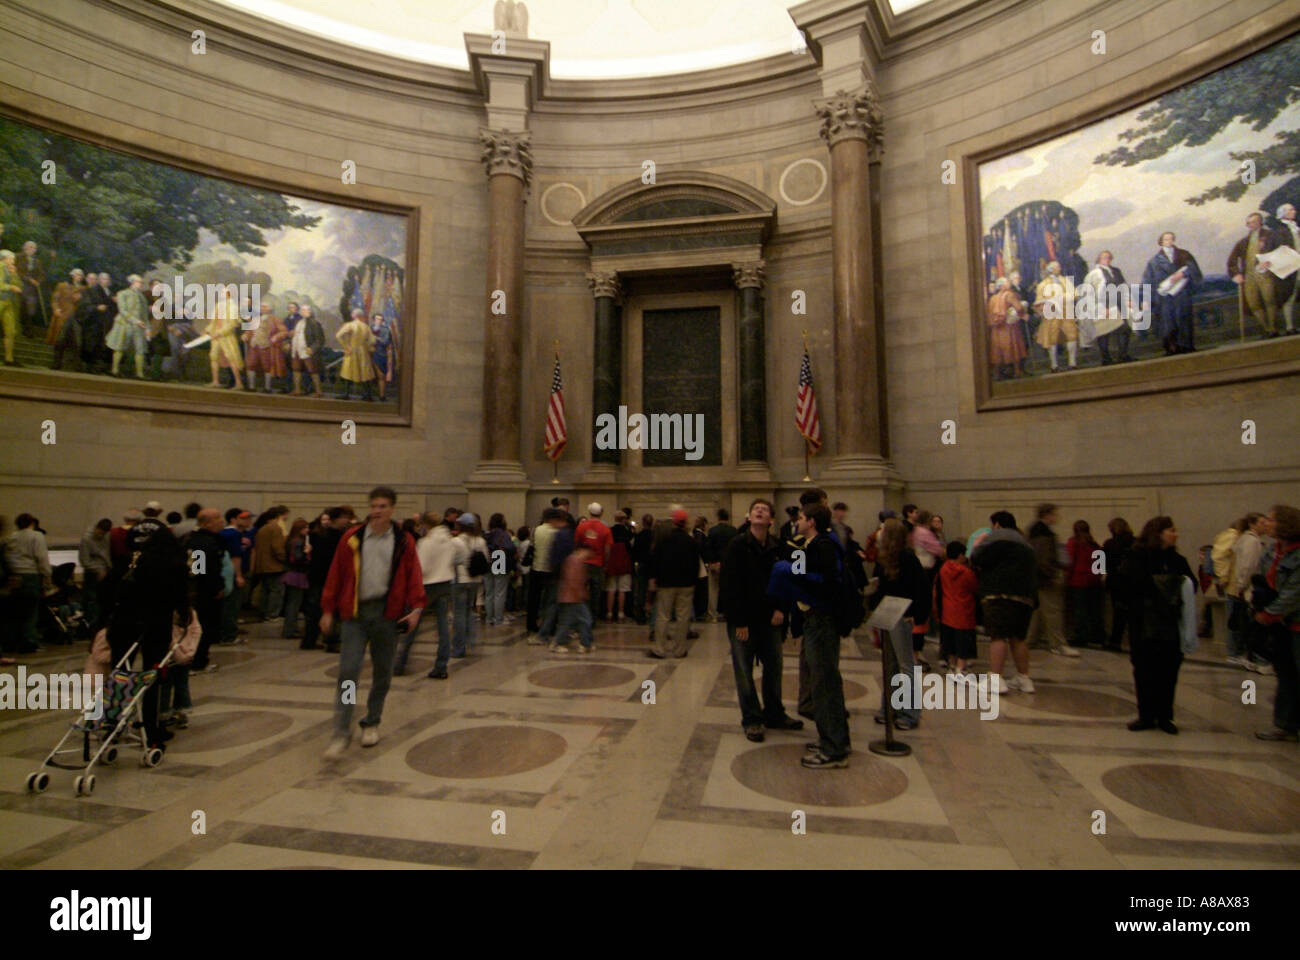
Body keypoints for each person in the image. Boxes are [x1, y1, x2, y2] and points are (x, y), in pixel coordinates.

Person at [320, 487, 424, 758]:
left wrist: (416, 608)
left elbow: (413, 575)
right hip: (355, 614)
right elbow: (336, 574)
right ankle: (341, 730)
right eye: (374, 506)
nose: (377, 511)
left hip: (387, 614)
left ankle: (372, 720)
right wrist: (328, 609)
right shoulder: (352, 538)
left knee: (383, 672)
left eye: (382, 506)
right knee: (348, 672)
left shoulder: (403, 541)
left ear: (392, 509)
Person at [106, 515, 189, 751]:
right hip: (155, 624)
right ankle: (152, 729)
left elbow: (108, 591)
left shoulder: (125, 560)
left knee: (120, 674)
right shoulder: (172, 562)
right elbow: (181, 593)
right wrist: (184, 614)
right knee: (153, 675)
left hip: (122, 623)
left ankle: (112, 724)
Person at [722, 498, 800, 742]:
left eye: (764, 510)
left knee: (774, 667)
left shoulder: (779, 547)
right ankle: (752, 719)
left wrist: (781, 609)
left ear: (771, 520)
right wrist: (740, 621)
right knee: (744, 671)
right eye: (755, 509)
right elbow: (730, 585)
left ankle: (774, 712)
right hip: (744, 619)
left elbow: (787, 581)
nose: (759, 511)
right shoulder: (737, 545)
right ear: (749, 517)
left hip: (770, 618)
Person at [785, 503, 850, 768]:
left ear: (811, 522)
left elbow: (824, 584)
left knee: (823, 684)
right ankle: (835, 739)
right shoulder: (814, 544)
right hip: (817, 619)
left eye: (801, 518)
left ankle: (833, 749)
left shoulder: (822, 546)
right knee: (825, 681)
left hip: (821, 620)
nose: (797, 522)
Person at [1121, 516, 1195, 734]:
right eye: (1171, 530)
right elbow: (1127, 586)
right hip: (1143, 622)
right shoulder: (1137, 557)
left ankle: (1165, 716)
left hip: (1170, 624)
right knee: (1144, 670)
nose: (1176, 534)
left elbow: (1191, 585)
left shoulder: (1178, 560)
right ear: (1158, 533)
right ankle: (1146, 715)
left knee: (1168, 671)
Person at [866, 518, 928, 728]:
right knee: (890, 664)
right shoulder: (883, 557)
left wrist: (916, 614)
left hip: (901, 614)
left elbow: (920, 589)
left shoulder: (908, 558)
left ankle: (910, 713)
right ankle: (889, 707)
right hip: (887, 613)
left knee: (905, 664)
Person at [970, 511, 1038, 695]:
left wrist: (977, 545)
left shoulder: (996, 539)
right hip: (1025, 597)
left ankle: (995, 680)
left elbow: (977, 560)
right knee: (1018, 638)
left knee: (998, 636)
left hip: (999, 594)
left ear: (997, 524)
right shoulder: (1026, 544)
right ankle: (1024, 679)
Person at [1254, 505, 1300, 742]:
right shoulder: (1273, 550)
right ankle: (1285, 724)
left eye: (1271, 519)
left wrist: (1269, 613)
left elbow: (1295, 592)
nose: (1266, 523)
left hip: (1294, 621)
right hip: (1281, 624)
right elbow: (1263, 579)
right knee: (1285, 673)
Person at [1025, 503, 1080, 657]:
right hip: (1047, 579)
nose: (1056, 517)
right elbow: (1044, 558)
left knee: (1038, 612)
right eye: (1054, 514)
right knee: (1053, 612)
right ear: (1047, 515)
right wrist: (1053, 575)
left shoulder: (1034, 531)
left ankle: (1029, 640)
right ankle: (1058, 644)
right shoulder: (1044, 534)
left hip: (1037, 578)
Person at [648, 509, 699, 659]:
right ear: (685, 523)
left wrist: (654, 579)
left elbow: (655, 561)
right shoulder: (691, 541)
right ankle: (679, 650)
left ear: (673, 522)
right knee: (683, 617)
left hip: (666, 583)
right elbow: (695, 564)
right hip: (686, 584)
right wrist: (693, 582)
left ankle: (659, 649)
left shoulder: (664, 540)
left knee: (663, 616)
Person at [1141, 231, 1202, 354]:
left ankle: (1186, 346)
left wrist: (1183, 273)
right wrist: (1146, 299)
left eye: (1171, 239)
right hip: (1165, 298)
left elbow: (1194, 269)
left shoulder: (1184, 255)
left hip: (1182, 294)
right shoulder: (1154, 261)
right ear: (1161, 242)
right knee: (1168, 323)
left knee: (1184, 320)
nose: (1169, 241)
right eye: (1166, 239)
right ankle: (1171, 348)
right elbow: (1147, 280)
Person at [1227, 212, 1285, 339]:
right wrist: (1236, 274)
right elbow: (1232, 261)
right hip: (1249, 276)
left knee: (1270, 301)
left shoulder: (1271, 236)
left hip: (1266, 274)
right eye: (1248, 223)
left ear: (1260, 222)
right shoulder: (1243, 242)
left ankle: (1273, 329)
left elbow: (1282, 252)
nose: (1250, 225)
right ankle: (1267, 329)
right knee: (1253, 304)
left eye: (1253, 222)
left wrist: (1270, 262)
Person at [186, 508, 229, 682]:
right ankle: (197, 661)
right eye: (217, 518)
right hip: (203, 593)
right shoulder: (200, 542)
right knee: (204, 626)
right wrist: (214, 588)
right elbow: (199, 570)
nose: (221, 521)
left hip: (203, 590)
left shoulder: (207, 540)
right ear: (207, 523)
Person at [1229, 512, 1273, 673]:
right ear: (1252, 525)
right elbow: (1248, 567)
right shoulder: (1252, 542)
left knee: (1249, 626)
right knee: (1254, 627)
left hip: (1246, 587)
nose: (1265, 525)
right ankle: (1259, 660)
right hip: (1250, 589)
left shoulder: (1246, 540)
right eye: (1262, 522)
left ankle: (1252, 658)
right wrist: (1241, 586)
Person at [303, 506, 350, 653]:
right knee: (330, 610)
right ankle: (331, 640)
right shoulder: (338, 537)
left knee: (315, 610)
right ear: (337, 519)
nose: (347, 520)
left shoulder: (318, 534)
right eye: (344, 517)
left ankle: (311, 639)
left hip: (317, 576)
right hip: (328, 577)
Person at [4, 514, 52, 651]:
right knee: (31, 611)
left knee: (14, 610)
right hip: (30, 575)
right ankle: (29, 642)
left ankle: (12, 641)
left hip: (13, 575)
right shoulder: (37, 536)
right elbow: (41, 557)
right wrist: (47, 576)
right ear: (32, 523)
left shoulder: (10, 538)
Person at [936, 540, 978, 679]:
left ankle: (952, 666)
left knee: (950, 640)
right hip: (964, 610)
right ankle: (961, 668)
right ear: (960, 555)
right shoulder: (966, 572)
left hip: (947, 610)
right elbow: (974, 587)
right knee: (963, 641)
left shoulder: (943, 569)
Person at [449, 512, 489, 658]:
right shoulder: (480, 541)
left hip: (460, 580)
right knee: (468, 611)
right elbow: (487, 559)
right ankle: (470, 640)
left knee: (459, 614)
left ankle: (458, 648)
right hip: (475, 580)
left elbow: (450, 560)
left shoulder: (456, 541)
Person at [549, 543, 596, 654]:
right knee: (585, 619)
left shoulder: (573, 559)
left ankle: (582, 643)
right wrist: (581, 593)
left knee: (568, 621)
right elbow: (573, 579)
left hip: (569, 596)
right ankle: (584, 643)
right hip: (573, 597)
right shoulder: (576, 561)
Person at [1065, 520, 1105, 648]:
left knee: (1079, 610)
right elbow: (1100, 566)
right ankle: (1097, 636)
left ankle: (1080, 636)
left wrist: (1067, 578)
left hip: (1078, 581)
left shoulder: (1073, 543)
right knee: (1095, 611)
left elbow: (1069, 562)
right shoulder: (1095, 545)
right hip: (1094, 582)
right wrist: (1097, 577)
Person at [1102, 517, 1137, 651]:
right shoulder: (1136, 542)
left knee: (1118, 614)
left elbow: (1099, 565)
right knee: (1134, 614)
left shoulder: (1109, 544)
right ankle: (1135, 642)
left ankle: (1115, 641)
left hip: (1116, 582)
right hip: (1134, 582)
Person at [105, 274, 149, 378]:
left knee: (140, 349)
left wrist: (147, 327)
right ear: (132, 282)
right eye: (139, 282)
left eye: (141, 282)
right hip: (124, 324)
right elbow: (123, 310)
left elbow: (144, 314)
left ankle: (139, 374)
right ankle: (115, 370)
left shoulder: (142, 297)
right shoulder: (123, 293)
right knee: (119, 347)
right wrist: (135, 321)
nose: (141, 284)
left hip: (139, 326)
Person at [986, 276, 1028, 380]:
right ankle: (1017, 371)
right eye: (1007, 282)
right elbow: (1019, 308)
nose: (1009, 284)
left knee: (997, 350)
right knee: (1014, 348)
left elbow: (989, 314)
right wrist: (1023, 311)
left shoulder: (993, 298)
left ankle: (996, 374)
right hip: (1009, 327)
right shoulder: (1009, 295)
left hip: (997, 328)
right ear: (1002, 286)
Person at [574, 503, 611, 621]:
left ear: (590, 513)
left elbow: (576, 544)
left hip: (583, 563)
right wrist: (605, 564)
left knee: (581, 591)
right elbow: (607, 550)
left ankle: (580, 617)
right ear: (601, 513)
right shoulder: (605, 529)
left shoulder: (581, 527)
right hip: (597, 564)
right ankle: (592, 618)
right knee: (596, 593)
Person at [253, 505, 289, 621]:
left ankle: (263, 613)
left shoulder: (262, 529)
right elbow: (277, 548)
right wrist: (285, 559)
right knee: (276, 590)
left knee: (265, 590)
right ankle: (273, 614)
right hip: (274, 566)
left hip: (262, 565)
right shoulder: (276, 528)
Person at [78, 518, 113, 632]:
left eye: (103, 533)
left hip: (105, 571)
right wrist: (98, 570)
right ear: (96, 528)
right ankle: (92, 626)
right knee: (92, 600)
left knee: (103, 601)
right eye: (100, 532)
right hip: (92, 573)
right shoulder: (87, 538)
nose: (101, 535)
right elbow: (84, 560)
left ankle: (100, 625)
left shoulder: (107, 537)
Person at [205, 287, 244, 388]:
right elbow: (214, 322)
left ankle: (239, 383)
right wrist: (208, 330)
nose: (221, 293)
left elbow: (232, 324)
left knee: (232, 358)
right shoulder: (218, 305)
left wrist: (220, 333)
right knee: (214, 357)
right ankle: (215, 381)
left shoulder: (233, 307)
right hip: (216, 336)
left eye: (223, 292)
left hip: (227, 337)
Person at [705, 508, 739, 621]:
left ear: (718, 517)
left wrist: (712, 562)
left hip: (715, 563)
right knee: (730, 589)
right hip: (730, 564)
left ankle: (712, 615)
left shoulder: (712, 531)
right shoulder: (734, 531)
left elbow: (709, 548)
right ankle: (729, 612)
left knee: (713, 590)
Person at [336, 308, 376, 400]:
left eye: (352, 313)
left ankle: (346, 394)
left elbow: (338, 335)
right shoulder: (365, 326)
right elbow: (372, 340)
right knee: (364, 373)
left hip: (352, 351)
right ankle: (367, 395)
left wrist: (346, 346)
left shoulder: (350, 325)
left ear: (355, 315)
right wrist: (367, 347)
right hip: (363, 352)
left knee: (348, 372)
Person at [483, 512, 515, 626]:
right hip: (499, 559)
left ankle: (489, 618)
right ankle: (498, 619)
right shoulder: (504, 534)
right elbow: (511, 548)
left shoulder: (487, 534)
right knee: (499, 593)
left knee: (489, 593)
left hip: (488, 562)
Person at [281, 518, 311, 639]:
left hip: (292, 573)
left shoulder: (291, 540)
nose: (307, 530)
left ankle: (290, 628)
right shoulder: (298, 542)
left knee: (293, 603)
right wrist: (307, 553)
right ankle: (290, 630)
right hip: (297, 574)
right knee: (294, 604)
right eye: (305, 528)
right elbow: (298, 558)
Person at [289, 303, 325, 397]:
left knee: (313, 371)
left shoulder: (314, 323)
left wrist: (312, 348)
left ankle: (318, 391)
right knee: (296, 369)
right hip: (297, 350)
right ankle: (297, 390)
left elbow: (320, 339)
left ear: (310, 311)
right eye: (302, 310)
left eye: (305, 310)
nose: (303, 312)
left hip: (307, 351)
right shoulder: (299, 322)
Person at [605, 512, 633, 621]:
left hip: (612, 563)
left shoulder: (610, 530)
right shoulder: (627, 532)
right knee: (622, 590)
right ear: (624, 520)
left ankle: (609, 613)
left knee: (611, 589)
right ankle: (621, 613)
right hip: (624, 563)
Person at [0, 250, 23, 366]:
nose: (13, 261)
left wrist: (14, 274)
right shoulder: (0, 267)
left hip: (9, 302)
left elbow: (20, 286)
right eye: (12, 259)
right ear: (5, 258)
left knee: (10, 331)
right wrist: (11, 287)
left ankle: (9, 358)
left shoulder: (10, 269)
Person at [631, 513, 655, 625]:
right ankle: (652, 615)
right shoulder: (654, 535)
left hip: (642, 564)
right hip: (653, 565)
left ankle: (640, 616)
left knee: (641, 590)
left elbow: (634, 552)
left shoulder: (639, 535)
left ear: (643, 522)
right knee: (653, 591)